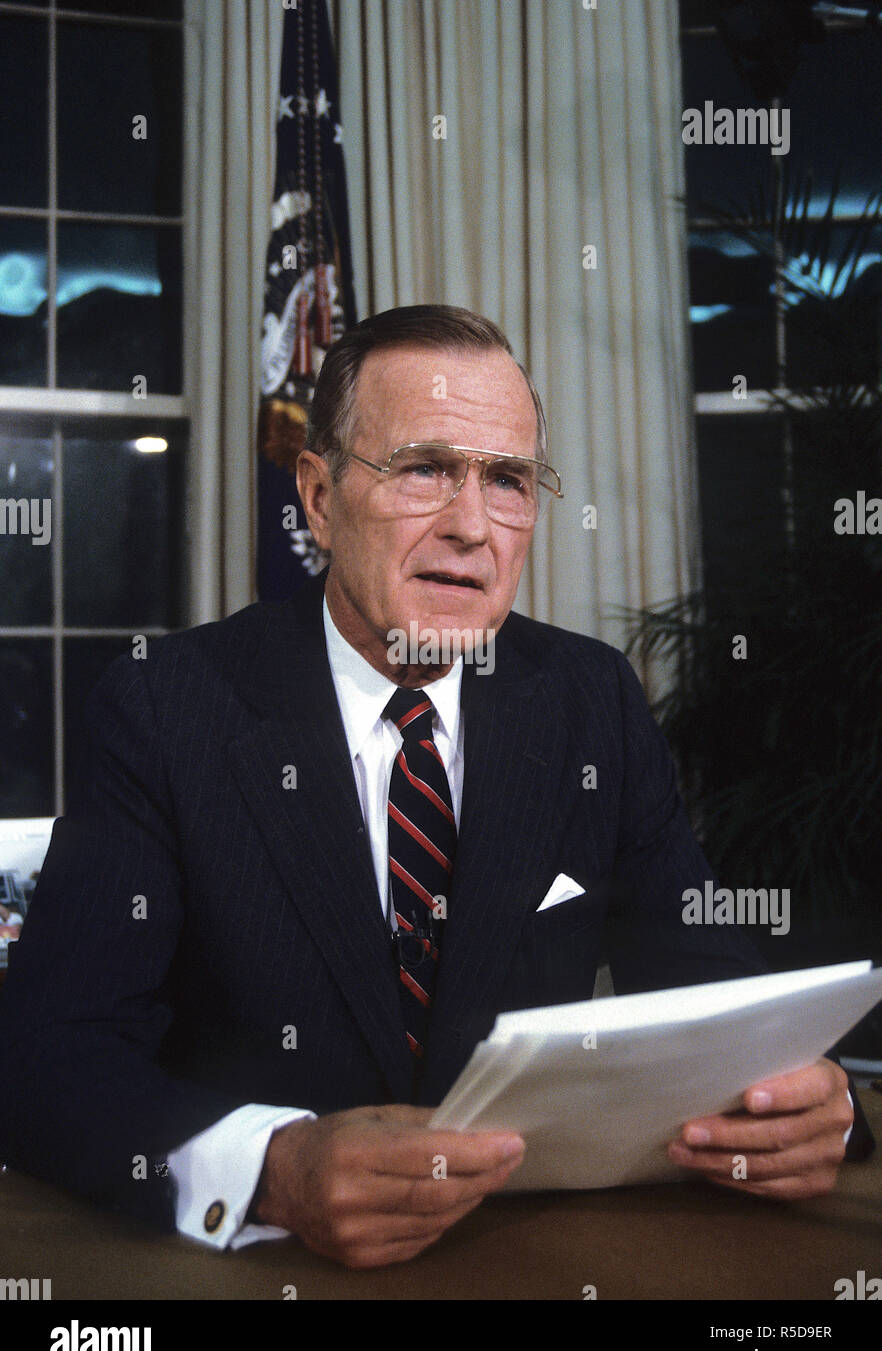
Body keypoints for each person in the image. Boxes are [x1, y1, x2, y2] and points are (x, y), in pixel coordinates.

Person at [0, 306, 859, 1272]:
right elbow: (47, 1058)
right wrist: (272, 1165)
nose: (471, 527)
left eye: (508, 481)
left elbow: (718, 998)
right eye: (424, 470)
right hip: (262, 1268)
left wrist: (816, 1101)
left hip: (532, 1262)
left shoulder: (587, 701)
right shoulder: (167, 709)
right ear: (319, 499)